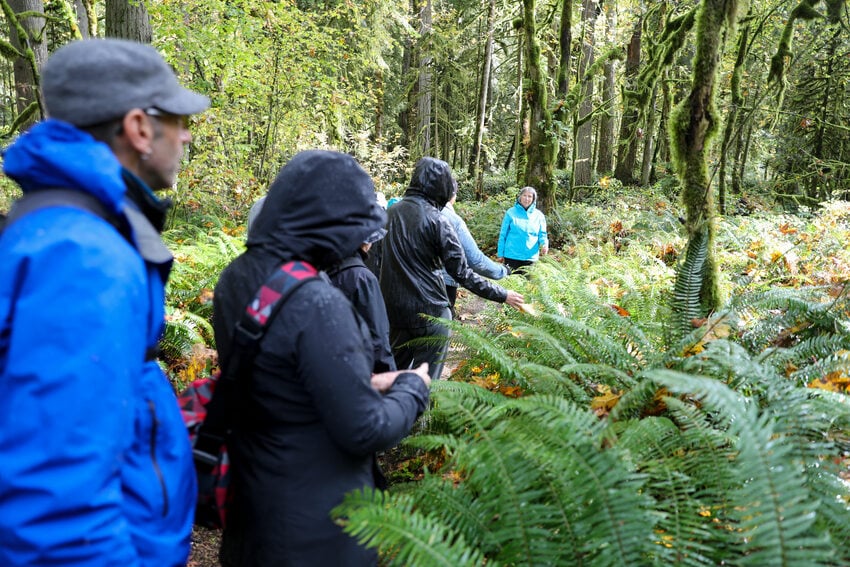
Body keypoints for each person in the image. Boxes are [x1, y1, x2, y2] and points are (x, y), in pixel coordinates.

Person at [0, 39, 209, 566]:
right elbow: (57, 500)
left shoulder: (55, 227)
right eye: (178, 120)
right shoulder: (83, 256)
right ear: (139, 128)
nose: (185, 136)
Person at [213, 150, 431, 566]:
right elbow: (365, 429)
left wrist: (362, 382)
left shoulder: (237, 278)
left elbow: (280, 382)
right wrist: (412, 388)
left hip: (252, 511)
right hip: (316, 532)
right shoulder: (317, 303)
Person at [381, 157, 524, 381]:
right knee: (426, 384)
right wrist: (502, 294)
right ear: (443, 187)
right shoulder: (439, 221)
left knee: (391, 378)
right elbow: (463, 272)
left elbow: (374, 263)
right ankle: (423, 417)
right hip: (431, 313)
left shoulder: (388, 215)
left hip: (394, 312)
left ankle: (392, 415)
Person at [327, 227, 396, 372]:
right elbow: (378, 338)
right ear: (364, 244)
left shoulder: (323, 269)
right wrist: (388, 377)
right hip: (358, 368)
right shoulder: (363, 278)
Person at [441, 192, 508, 315]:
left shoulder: (402, 211)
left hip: (405, 280)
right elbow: (476, 261)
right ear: (453, 195)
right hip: (443, 283)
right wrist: (502, 271)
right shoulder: (452, 219)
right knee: (438, 329)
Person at [497, 186, 549, 273]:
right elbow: (503, 235)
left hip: (530, 257)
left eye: (530, 196)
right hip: (511, 256)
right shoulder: (510, 212)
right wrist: (500, 254)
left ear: (533, 199)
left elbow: (542, 234)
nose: (526, 199)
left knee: (528, 285)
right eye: (524, 195)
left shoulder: (539, 215)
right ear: (520, 197)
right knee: (511, 284)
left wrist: (545, 245)